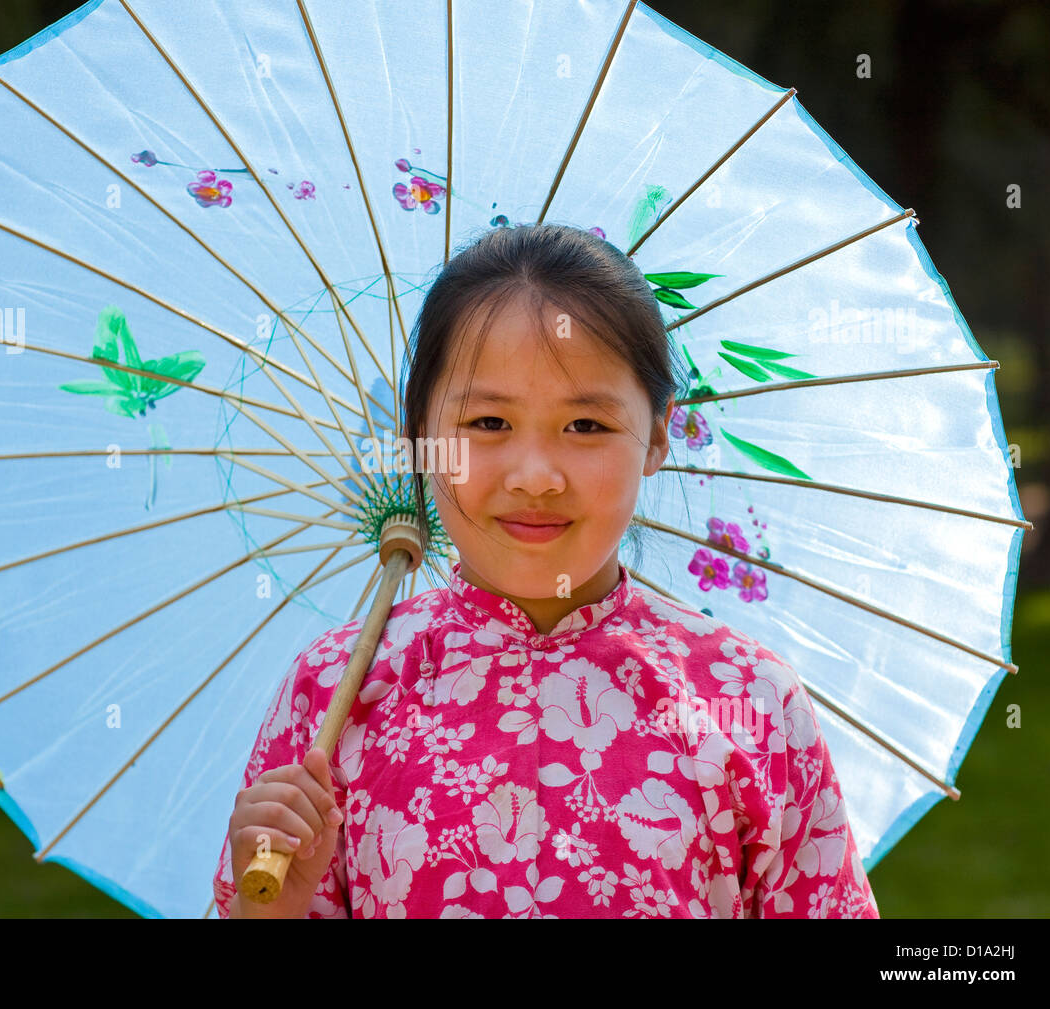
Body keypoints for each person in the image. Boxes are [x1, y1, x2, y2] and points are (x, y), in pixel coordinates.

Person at [212, 223, 880, 919]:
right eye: (489, 423)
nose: (535, 477)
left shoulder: (749, 700)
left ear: (656, 434)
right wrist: (272, 910)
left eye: (585, 426)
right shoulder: (335, 695)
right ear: (420, 432)